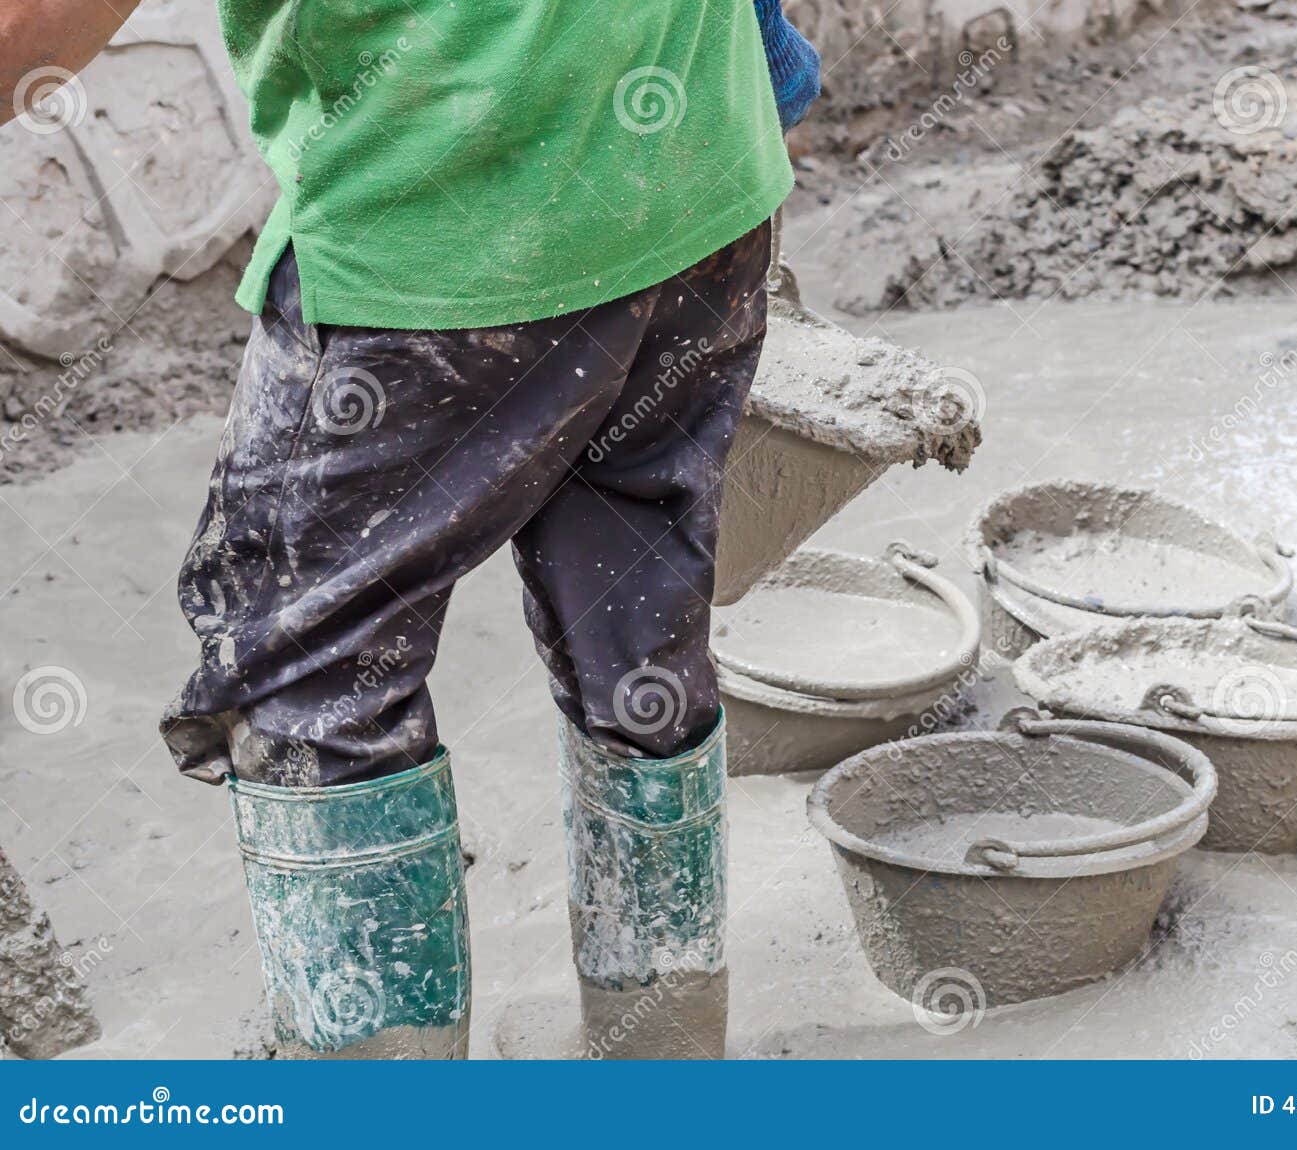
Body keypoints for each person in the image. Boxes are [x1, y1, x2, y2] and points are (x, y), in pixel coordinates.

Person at [1, 0, 820, 1059]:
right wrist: (764, 66)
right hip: (690, 168)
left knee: (307, 665)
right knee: (636, 618)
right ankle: (660, 1063)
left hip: (450, 216)